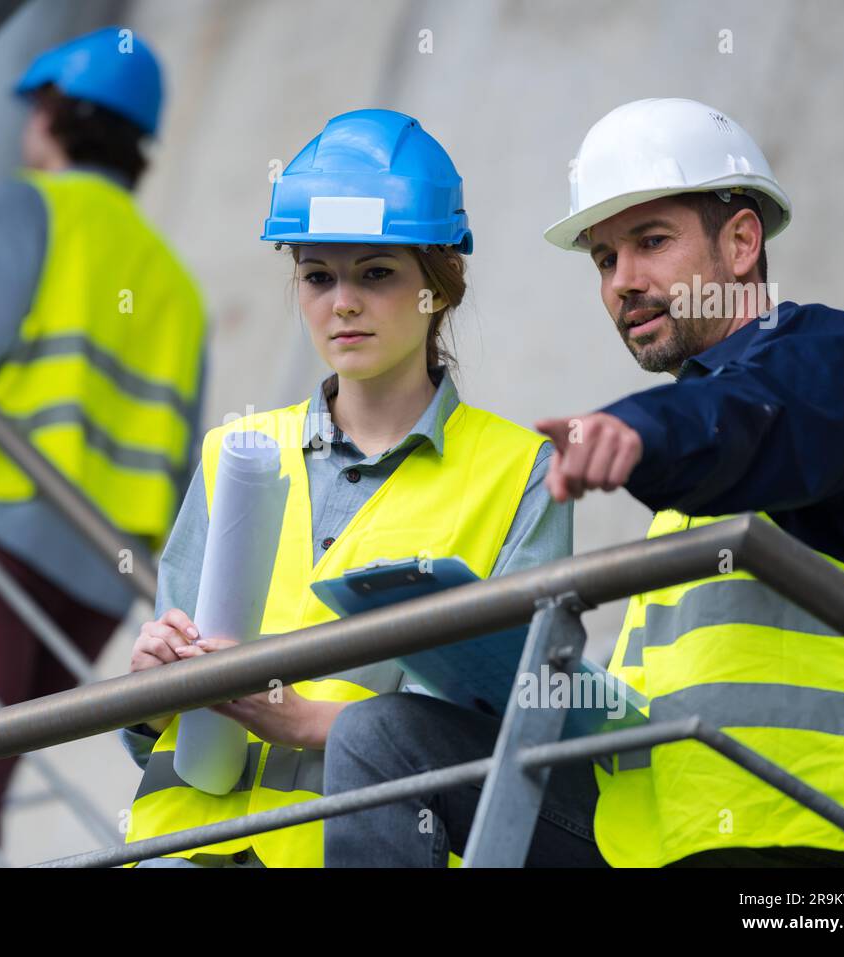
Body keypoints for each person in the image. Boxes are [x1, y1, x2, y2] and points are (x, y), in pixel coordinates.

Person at [118, 108, 597, 868]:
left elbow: (501, 720)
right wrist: (148, 682)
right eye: (317, 275)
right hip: (180, 848)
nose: (342, 301)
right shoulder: (234, 453)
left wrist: (305, 718)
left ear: (438, 286)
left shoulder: (521, 472)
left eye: (376, 273)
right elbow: (146, 724)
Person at [532, 97, 844, 867]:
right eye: (606, 259)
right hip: (666, 852)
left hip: (821, 859)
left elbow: (754, 414)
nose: (623, 281)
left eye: (651, 242)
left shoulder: (836, 366)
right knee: (399, 742)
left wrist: (642, 432)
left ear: (742, 241)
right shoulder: (682, 500)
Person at [0, 27, 208, 866]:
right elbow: (183, 466)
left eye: (35, 110)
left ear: (59, 112)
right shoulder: (176, 284)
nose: (24, 128)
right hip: (103, 575)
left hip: (6, 537)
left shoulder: (34, 202)